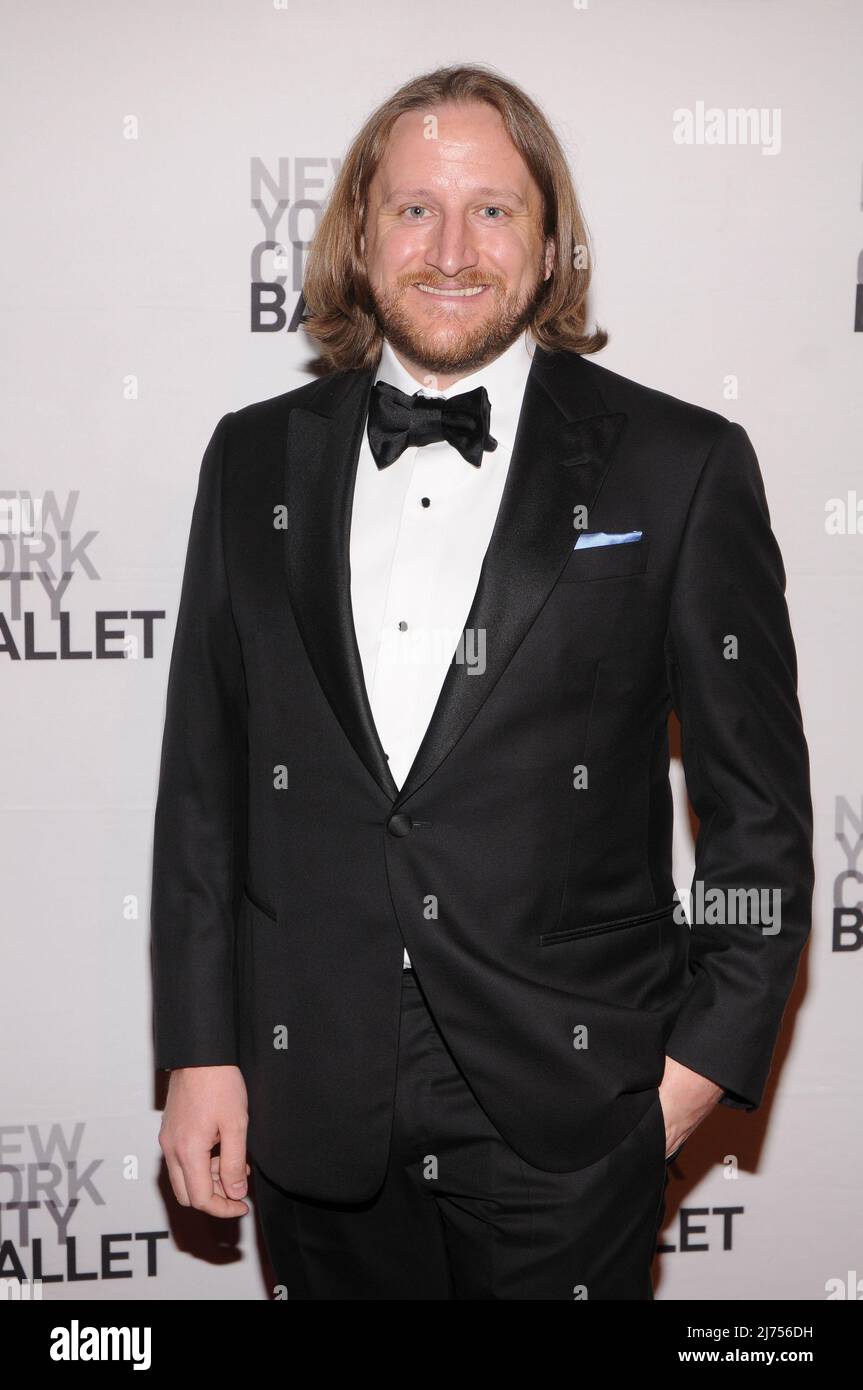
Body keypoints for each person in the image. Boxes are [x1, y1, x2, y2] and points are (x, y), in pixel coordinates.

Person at [151, 64, 814, 1300]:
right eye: (413, 209)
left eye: (494, 211)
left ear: (553, 242)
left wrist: (677, 1091)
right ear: (359, 234)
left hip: (566, 1105)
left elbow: (759, 824)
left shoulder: (678, 466)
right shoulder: (251, 460)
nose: (451, 248)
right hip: (316, 1096)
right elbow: (204, 784)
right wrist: (199, 1054)